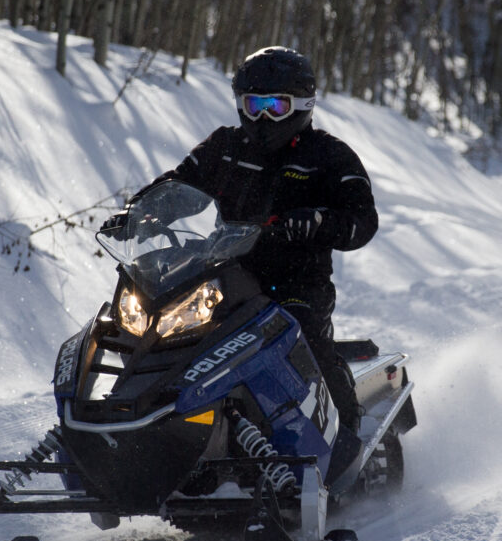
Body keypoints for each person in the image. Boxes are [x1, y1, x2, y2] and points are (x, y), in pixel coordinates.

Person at [103, 46, 377, 459]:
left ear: (301, 105)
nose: (262, 117)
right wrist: (138, 213)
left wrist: (319, 221)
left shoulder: (328, 156)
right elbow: (182, 184)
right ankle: (142, 431)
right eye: (253, 104)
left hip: (296, 280)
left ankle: (344, 430)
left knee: (302, 333)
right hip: (225, 274)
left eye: (274, 105)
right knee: (160, 330)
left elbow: (362, 220)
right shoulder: (226, 147)